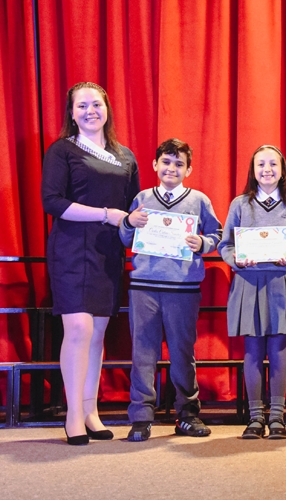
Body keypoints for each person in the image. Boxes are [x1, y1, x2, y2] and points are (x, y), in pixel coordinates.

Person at [41, 82, 140, 445]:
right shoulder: (62, 150)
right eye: (81, 106)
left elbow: (131, 210)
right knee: (79, 330)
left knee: (97, 334)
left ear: (107, 109)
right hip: (71, 249)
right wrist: (105, 214)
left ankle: (90, 411)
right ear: (71, 113)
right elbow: (51, 201)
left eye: (95, 104)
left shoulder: (125, 155)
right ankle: (72, 416)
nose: (89, 111)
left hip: (107, 251)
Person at [120, 138, 222, 441]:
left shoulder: (199, 200)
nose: (171, 168)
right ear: (155, 165)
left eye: (179, 164)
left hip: (183, 288)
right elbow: (126, 239)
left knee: (182, 352)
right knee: (143, 352)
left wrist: (203, 243)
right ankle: (141, 416)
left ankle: (187, 413)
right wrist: (129, 221)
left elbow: (217, 234)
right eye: (166, 162)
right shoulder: (142, 198)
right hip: (144, 287)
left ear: (188, 169)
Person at [219, 145, 286, 439]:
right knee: (252, 350)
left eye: (273, 164)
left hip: (280, 283)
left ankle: (277, 417)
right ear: (253, 170)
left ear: (283, 170)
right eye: (261, 164)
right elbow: (225, 245)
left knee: (278, 349)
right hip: (248, 283)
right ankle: (255, 417)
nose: (267, 170)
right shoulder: (239, 205)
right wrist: (236, 258)